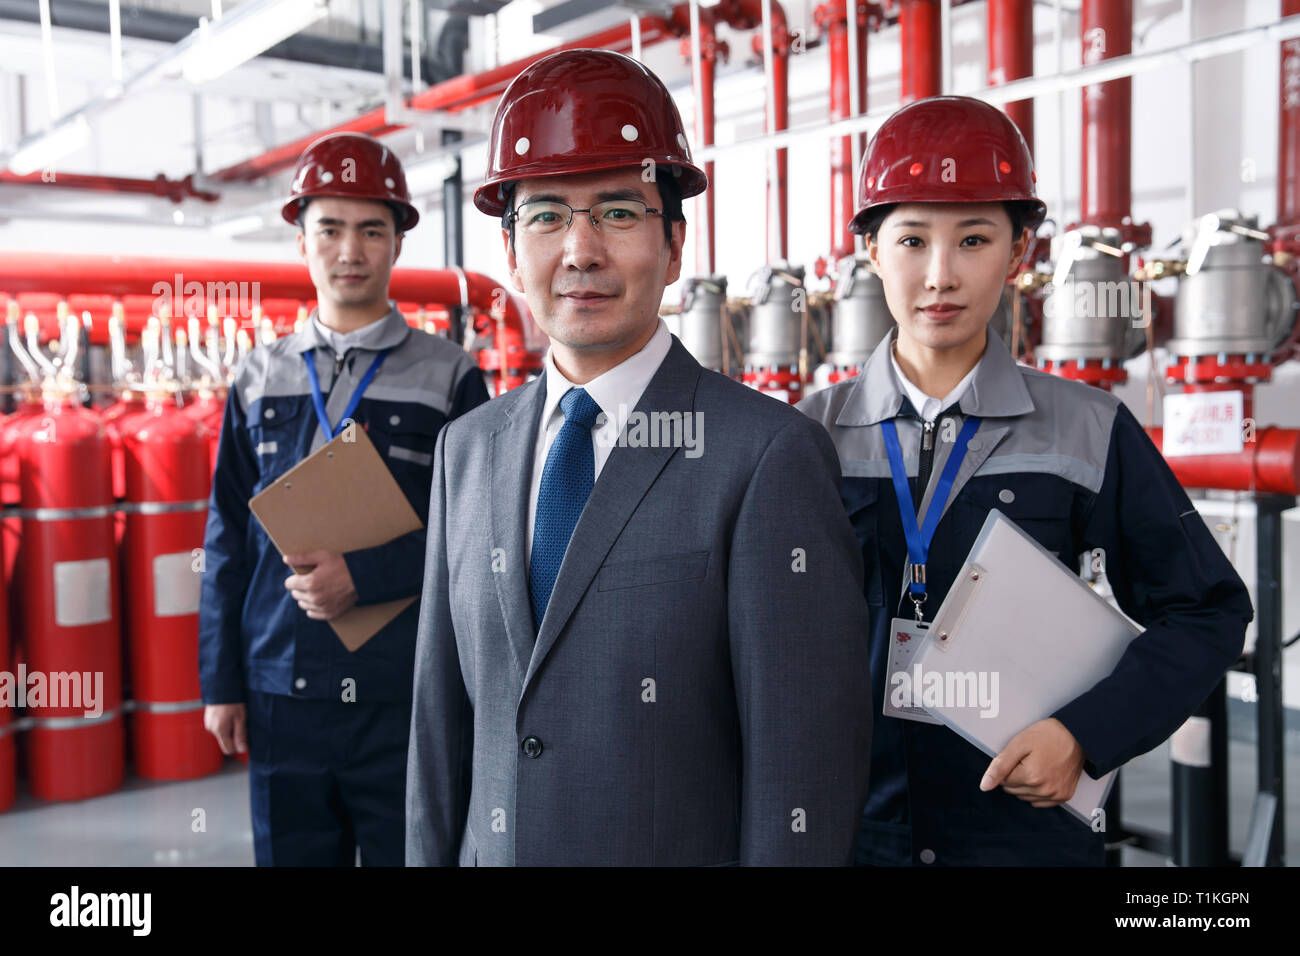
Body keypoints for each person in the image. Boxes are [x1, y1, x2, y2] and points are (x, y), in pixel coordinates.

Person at [405, 49, 872, 867]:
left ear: (675, 242)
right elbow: (440, 731)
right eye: (546, 215)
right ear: (513, 253)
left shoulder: (765, 456)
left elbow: (801, 762)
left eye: (618, 212)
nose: (580, 251)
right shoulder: (466, 449)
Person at [798, 95, 1253, 866]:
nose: (940, 275)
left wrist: (1085, 734)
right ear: (870, 251)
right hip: (853, 833)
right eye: (911, 240)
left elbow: (1205, 611)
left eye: (974, 239)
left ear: (1018, 254)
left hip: (1024, 828)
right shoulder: (806, 436)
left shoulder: (1088, 428)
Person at [198, 131, 490, 866]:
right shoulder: (256, 376)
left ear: (396, 243)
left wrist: (369, 575)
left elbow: (475, 533)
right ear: (302, 239)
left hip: (403, 691)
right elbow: (227, 535)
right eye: (329, 228)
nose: (350, 249)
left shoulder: (449, 376)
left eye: (371, 229)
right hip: (279, 689)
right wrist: (221, 682)